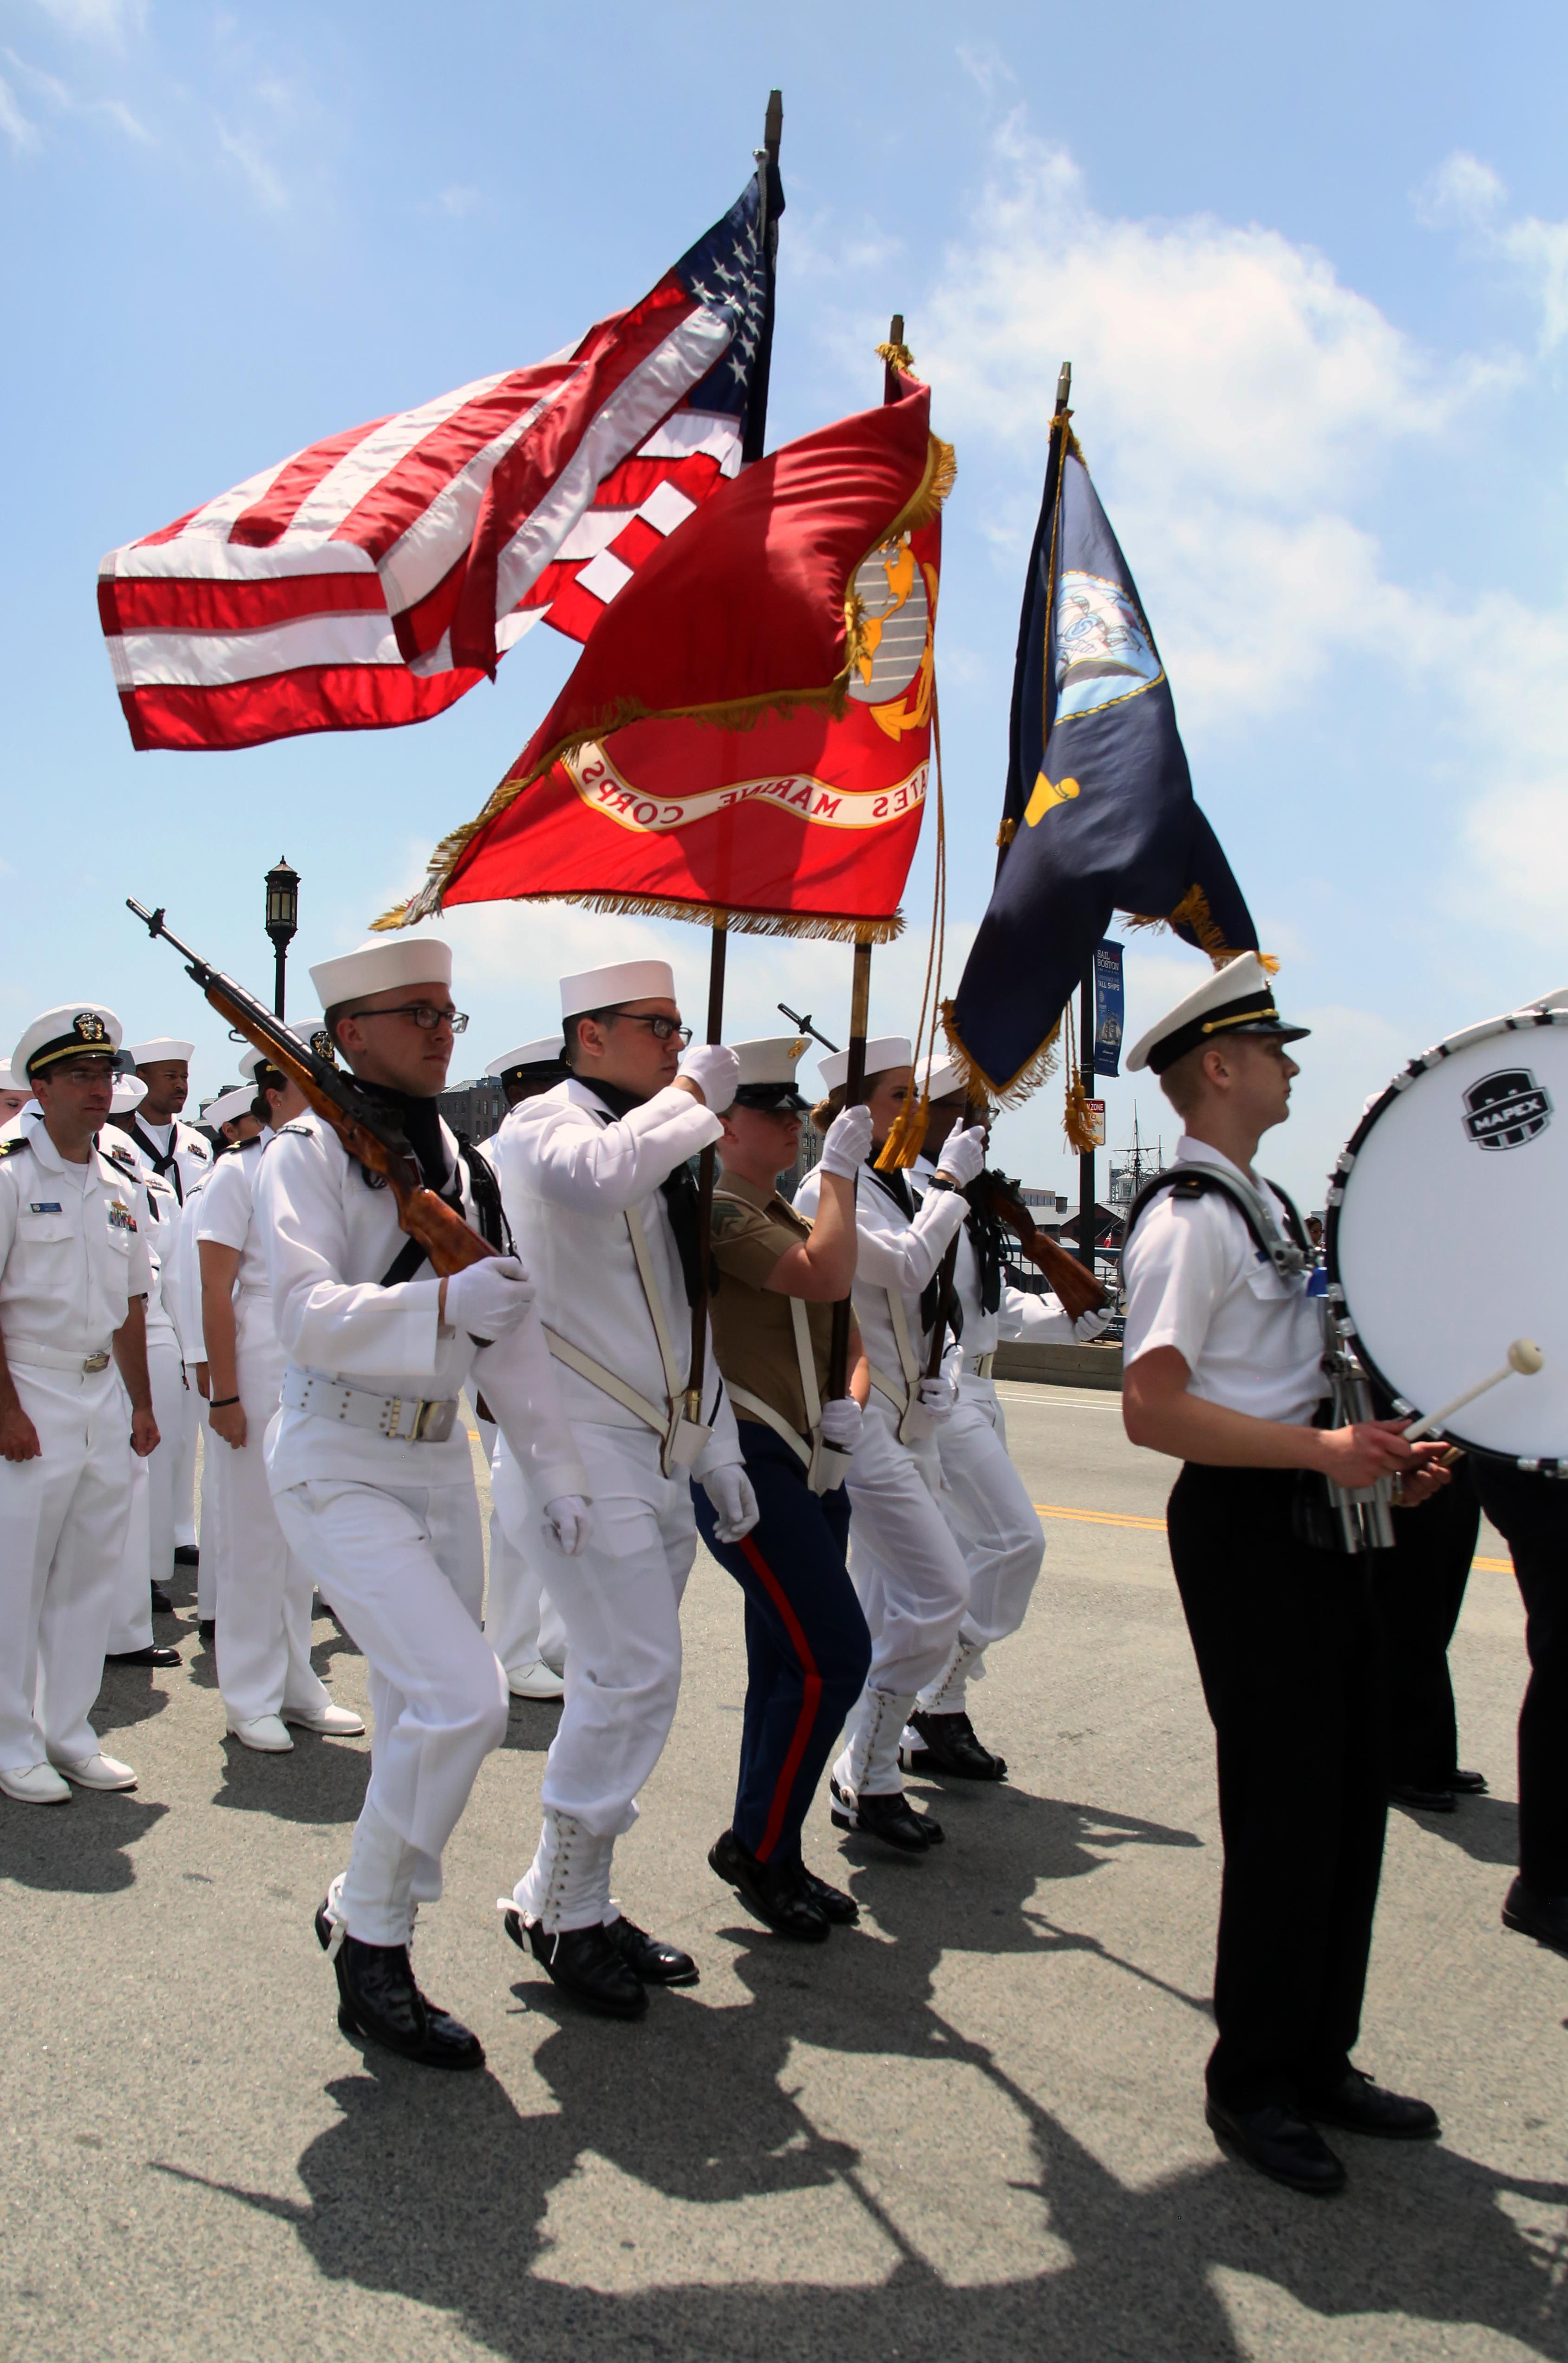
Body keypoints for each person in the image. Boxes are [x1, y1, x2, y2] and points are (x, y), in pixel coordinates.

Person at [1118, 952, 1447, 2197]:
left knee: (1350, 1792)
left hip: (1315, 1516)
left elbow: (1297, 1381)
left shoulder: (1260, 1206)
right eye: (1276, 1049)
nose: (1294, 1064)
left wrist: (1371, 1458)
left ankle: (1319, 2056)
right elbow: (1154, 1411)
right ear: (1220, 1066)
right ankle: (1251, 2077)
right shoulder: (1190, 1223)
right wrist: (1319, 1452)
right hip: (1249, 1531)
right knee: (1286, 1806)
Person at [255, 935, 592, 2070]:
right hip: (338, 1452)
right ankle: (375, 1944)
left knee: (414, 1714)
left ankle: (361, 1898)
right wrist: (445, 1311)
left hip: (440, 1459)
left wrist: (554, 1472)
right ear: (349, 1033)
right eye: (417, 1012)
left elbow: (508, 1339)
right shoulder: (301, 1155)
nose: (444, 1029)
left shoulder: (463, 1163)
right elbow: (301, 1316)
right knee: (464, 1700)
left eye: (450, 1011)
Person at [493, 955, 758, 2021]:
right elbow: (592, 1177)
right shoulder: (543, 1125)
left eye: (677, 1026)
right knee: (638, 1670)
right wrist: (694, 1098)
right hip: (576, 1446)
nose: (672, 1042)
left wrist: (722, 1442)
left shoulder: (662, 1143)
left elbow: (686, 1317)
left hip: (658, 1447)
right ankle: (564, 1903)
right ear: (587, 1033)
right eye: (654, 1025)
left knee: (617, 1680)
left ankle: (569, 1893)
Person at [699, 1037, 874, 1939]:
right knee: (833, 1656)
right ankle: (763, 1852)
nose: (794, 1127)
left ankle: (767, 1843)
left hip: (814, 1465)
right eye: (774, 1113)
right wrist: (842, 1173)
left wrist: (849, 1405)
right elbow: (829, 1278)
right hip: (752, 1463)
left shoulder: (784, 1217)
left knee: (785, 1666)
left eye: (795, 1114)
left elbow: (851, 1339)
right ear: (724, 1127)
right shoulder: (721, 1212)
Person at [895, 1052, 1111, 1782]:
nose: (978, 1124)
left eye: (981, 1114)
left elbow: (991, 1306)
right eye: (961, 1111)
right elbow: (912, 1287)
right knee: (1017, 1543)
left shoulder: (980, 1199)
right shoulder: (910, 1196)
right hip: (943, 1396)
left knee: (964, 1562)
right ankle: (931, 1697)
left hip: (987, 1394)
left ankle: (937, 1719)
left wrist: (1067, 1316)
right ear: (922, 1119)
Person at [795, 1038, 987, 1853]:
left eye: (917, 1092)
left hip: (915, 1419)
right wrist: (950, 1185)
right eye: (899, 1092)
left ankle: (869, 1779)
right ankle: (861, 1762)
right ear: (855, 1107)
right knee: (942, 1591)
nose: (914, 1107)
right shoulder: (822, 1190)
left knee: (893, 1604)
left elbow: (925, 1305)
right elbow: (906, 1268)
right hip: (862, 1422)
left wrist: (940, 1369)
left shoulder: (891, 1187)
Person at [0, 1004, 161, 1803]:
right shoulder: (8, 1174)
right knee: (16, 1577)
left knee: (89, 1576)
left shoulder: (117, 1181)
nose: (100, 1089)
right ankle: (11, 1738)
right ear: (42, 1084)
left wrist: (140, 1402)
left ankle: (68, 1730)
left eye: (104, 1075)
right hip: (30, 1386)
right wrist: (6, 1410)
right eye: (81, 1076)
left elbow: (132, 1299)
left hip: (101, 1391)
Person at [198, 1045, 365, 1754]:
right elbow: (214, 1290)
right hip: (261, 1353)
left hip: (318, 1360)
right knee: (254, 1541)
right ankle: (249, 1693)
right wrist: (225, 1393)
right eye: (308, 1086)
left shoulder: (343, 1172)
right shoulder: (240, 1173)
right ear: (271, 1094)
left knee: (305, 1537)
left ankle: (298, 1684)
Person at [480, 1035, 574, 1700]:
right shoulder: (488, 1165)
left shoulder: (565, 1155)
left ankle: (547, 1638)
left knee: (557, 1494)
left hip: (564, 1355)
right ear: (522, 1094)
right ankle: (510, 1648)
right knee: (518, 1502)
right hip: (508, 1352)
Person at [101, 1073, 184, 1668]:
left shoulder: (123, 1178)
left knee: (129, 1487)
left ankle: (126, 1625)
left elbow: (157, 1272)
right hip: (45, 1361)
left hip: (134, 1340)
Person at [123, 1038, 214, 1571]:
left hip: (196, 1290)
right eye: (168, 1076)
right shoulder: (119, 1142)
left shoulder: (197, 1147)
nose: (180, 1085)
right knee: (158, 1424)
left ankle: (181, 1528)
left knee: (188, 1426)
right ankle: (152, 1544)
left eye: (184, 1075)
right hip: (147, 1295)